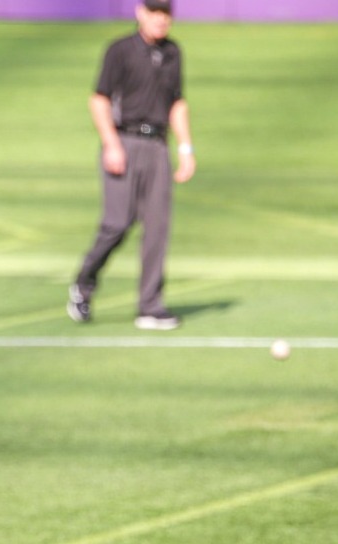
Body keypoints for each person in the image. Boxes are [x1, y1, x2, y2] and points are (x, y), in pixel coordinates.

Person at [68, 0, 196, 330]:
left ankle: (150, 306)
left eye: (166, 13)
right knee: (117, 224)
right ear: (140, 12)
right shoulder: (121, 50)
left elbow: (177, 103)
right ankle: (84, 282)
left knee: (157, 227)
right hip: (124, 141)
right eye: (155, 12)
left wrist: (185, 148)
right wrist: (111, 144)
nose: (161, 19)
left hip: (157, 146)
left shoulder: (173, 53)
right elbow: (99, 99)